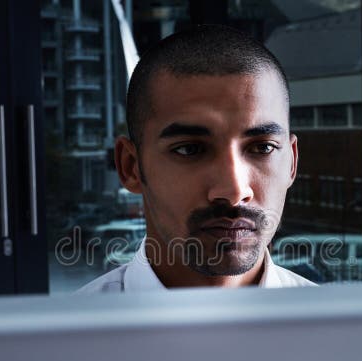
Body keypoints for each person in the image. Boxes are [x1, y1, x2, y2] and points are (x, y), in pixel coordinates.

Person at [77, 25, 316, 293]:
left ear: (292, 163)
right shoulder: (65, 333)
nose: (235, 191)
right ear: (131, 167)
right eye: (190, 149)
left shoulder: (342, 330)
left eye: (263, 148)